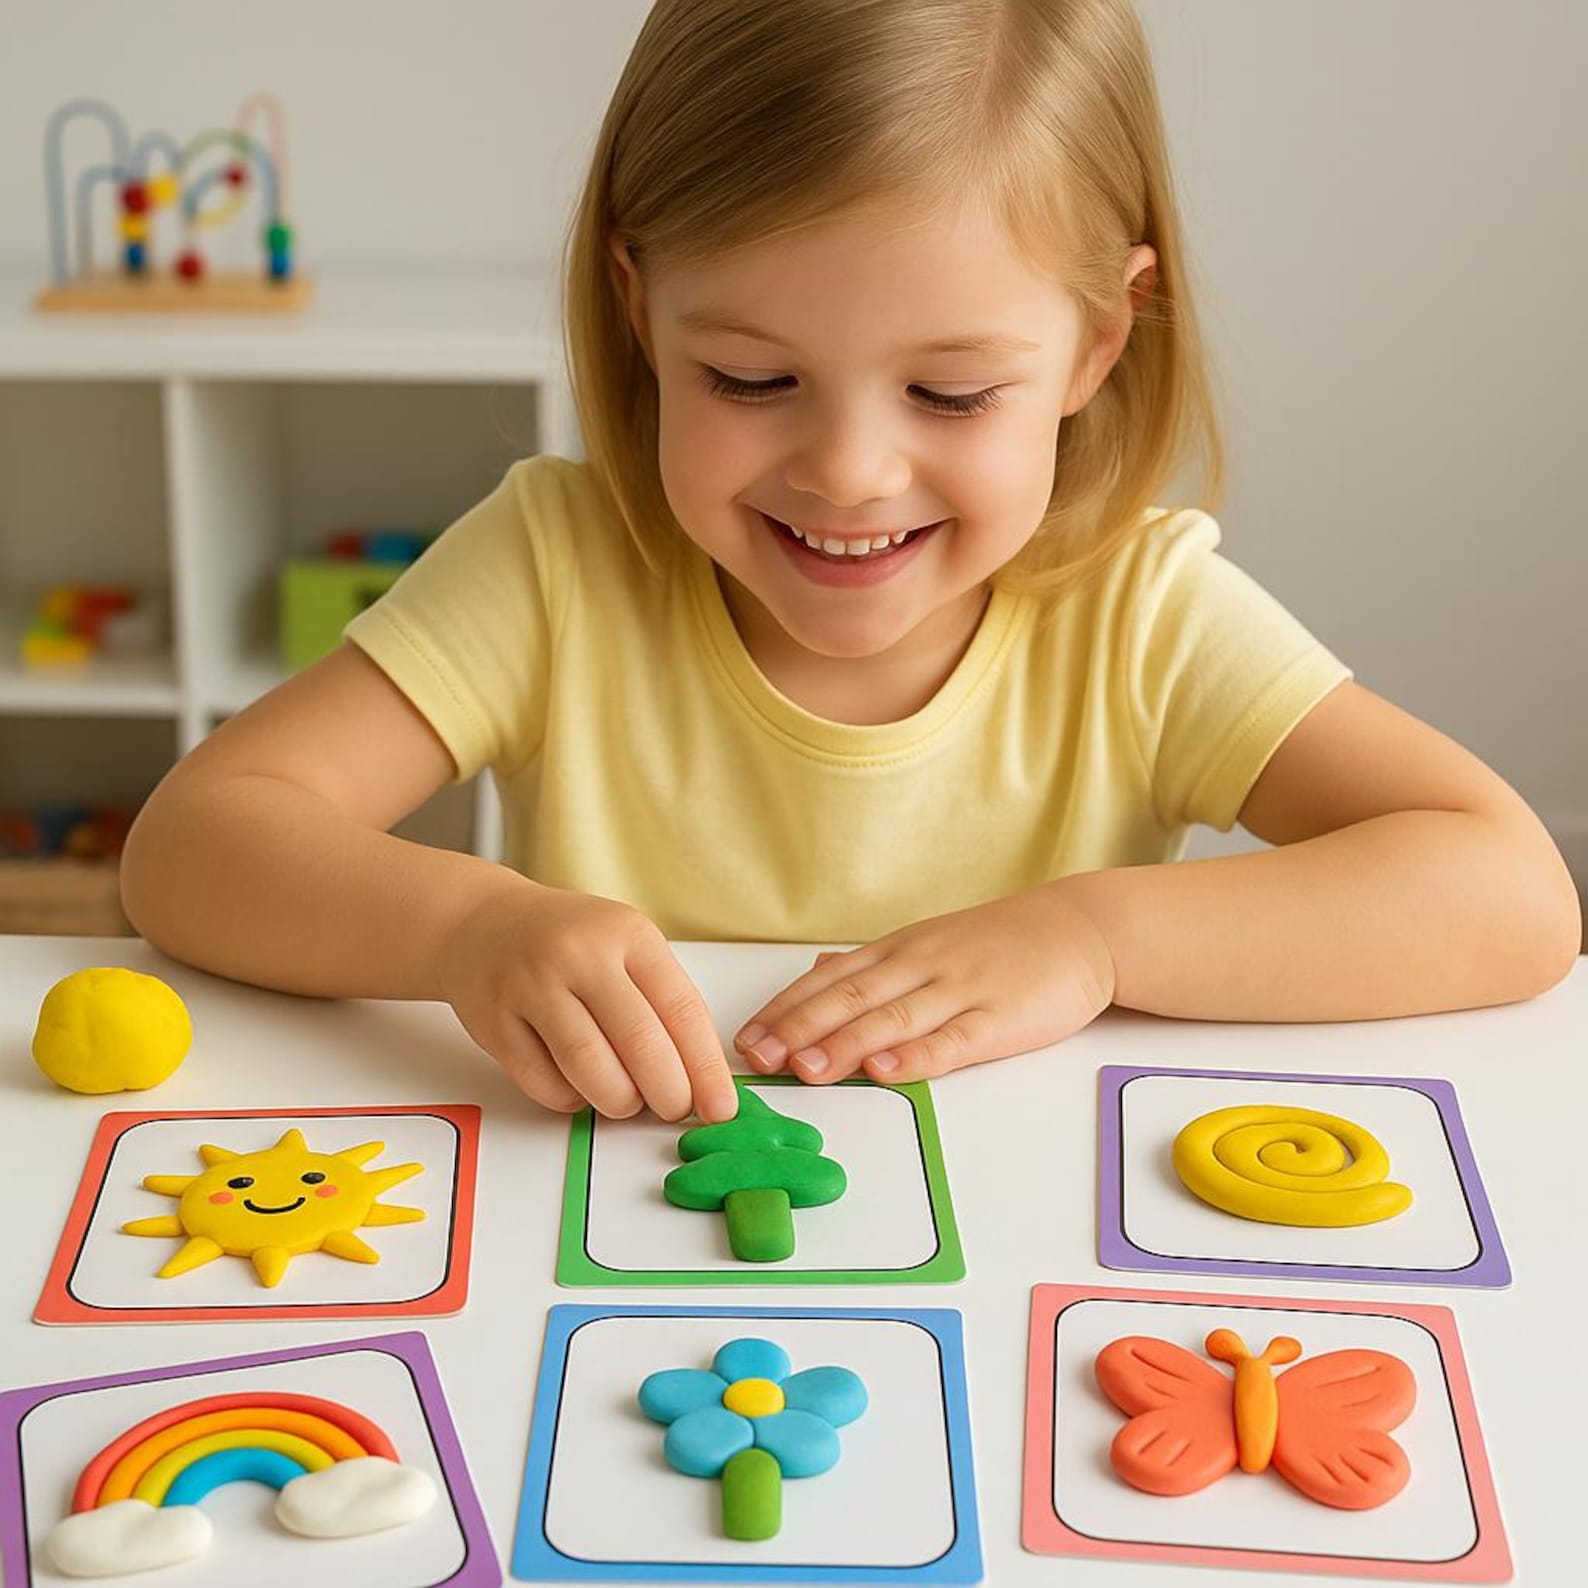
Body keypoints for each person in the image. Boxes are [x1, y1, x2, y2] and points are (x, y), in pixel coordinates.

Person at [120, 0, 1580, 1126]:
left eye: (950, 395)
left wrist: (1096, 937)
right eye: (752, 379)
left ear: (1097, 341)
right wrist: (468, 927)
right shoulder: (560, 561)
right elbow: (195, 846)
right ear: (639, 312)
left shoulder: (1138, 614)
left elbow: (1511, 895)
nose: (849, 472)